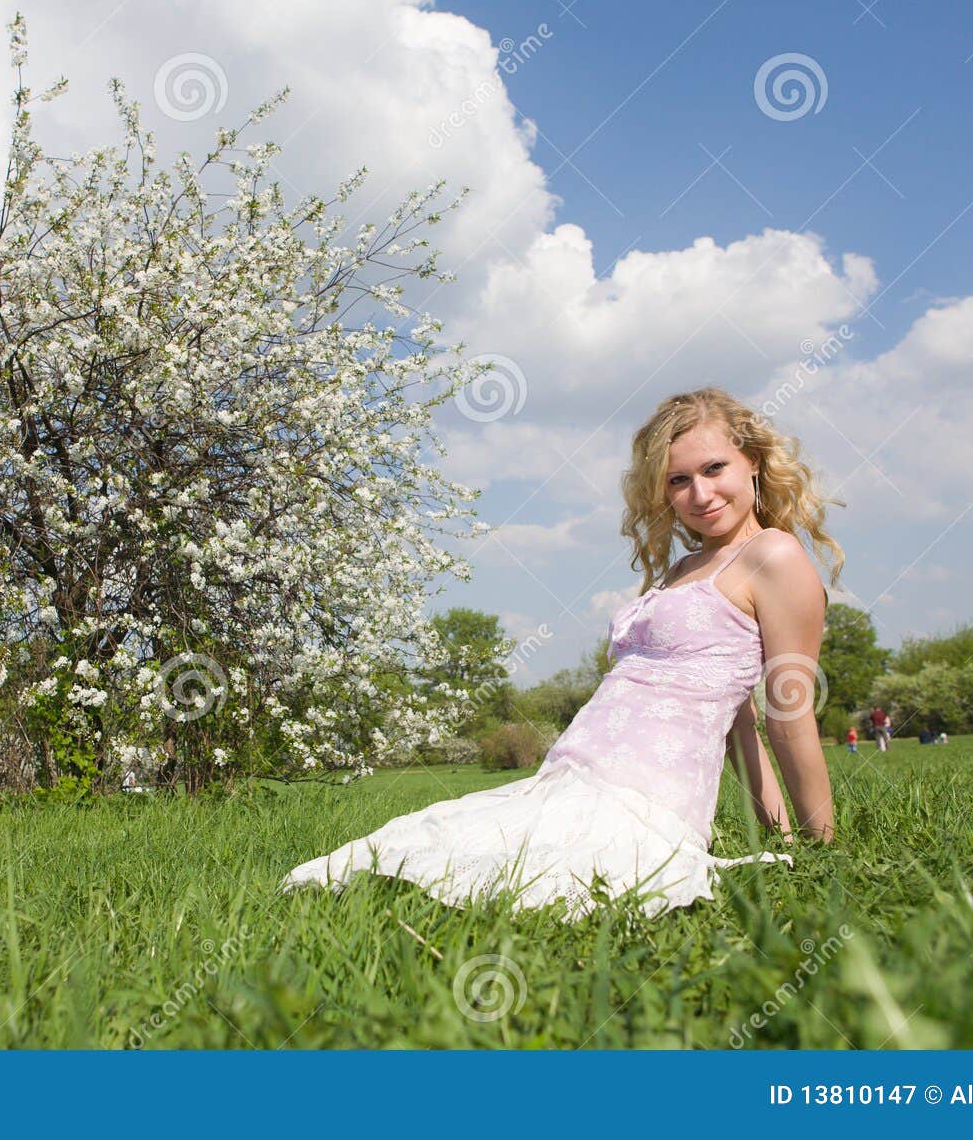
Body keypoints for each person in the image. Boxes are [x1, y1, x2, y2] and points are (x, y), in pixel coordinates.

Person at [280, 386, 841, 923]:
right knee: (432, 846)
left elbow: (786, 717)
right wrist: (779, 838)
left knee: (542, 875)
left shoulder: (774, 555)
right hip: (573, 770)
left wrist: (819, 847)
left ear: (752, 462)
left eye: (714, 469)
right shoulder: (682, 570)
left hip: (642, 792)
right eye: (678, 480)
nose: (700, 494)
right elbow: (736, 729)